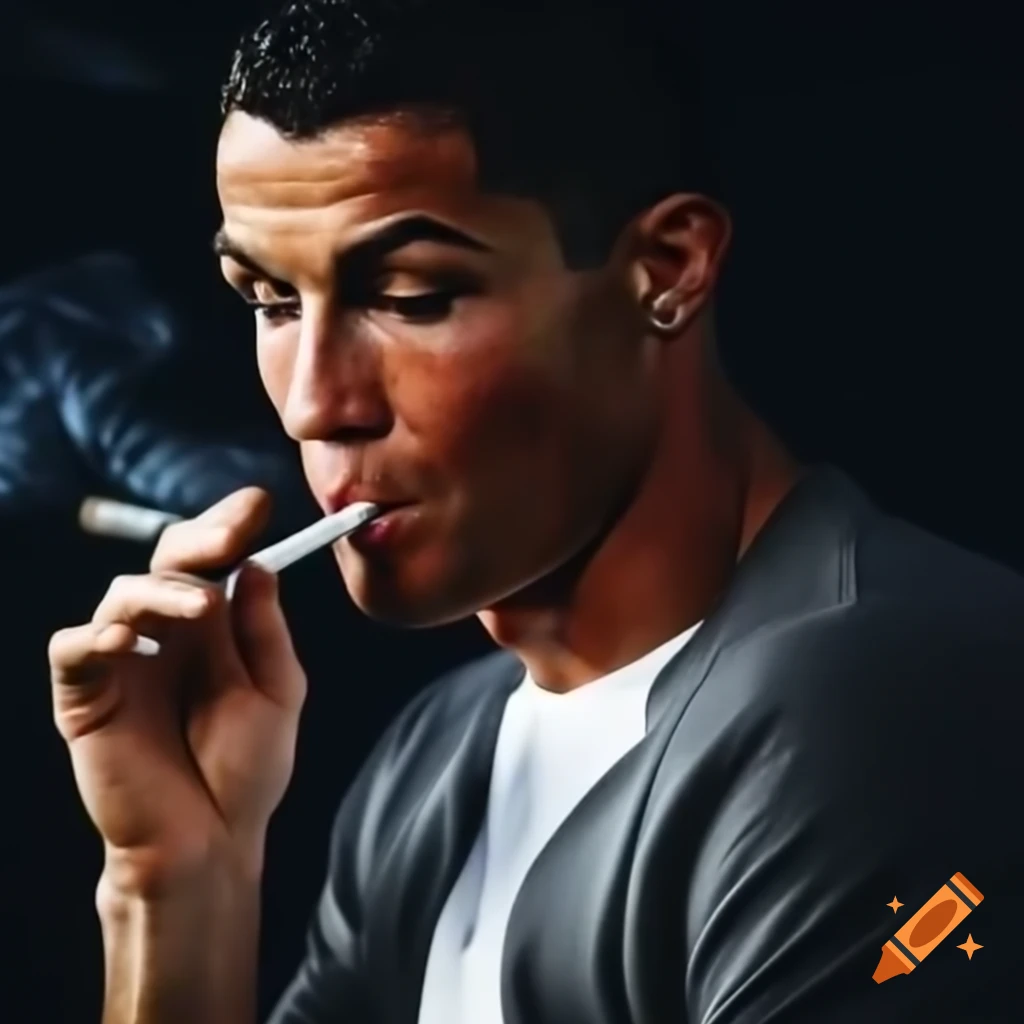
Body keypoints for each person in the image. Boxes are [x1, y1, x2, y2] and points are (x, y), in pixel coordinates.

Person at [47, 2, 1024, 1022]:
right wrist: (173, 882)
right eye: (271, 302)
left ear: (667, 269)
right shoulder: (438, 758)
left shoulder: (885, 705)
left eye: (413, 296)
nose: (314, 404)